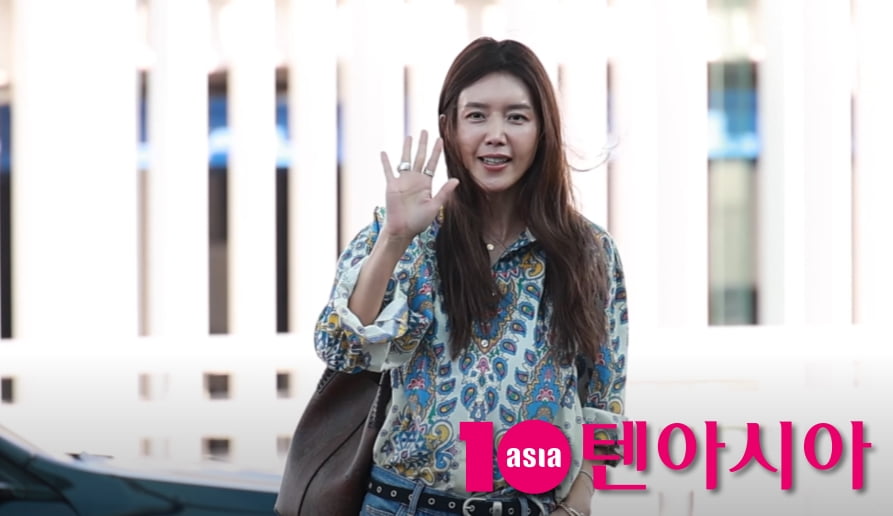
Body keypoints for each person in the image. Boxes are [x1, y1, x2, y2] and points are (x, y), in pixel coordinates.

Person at [315, 37, 629, 516]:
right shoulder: (407, 234)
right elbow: (342, 349)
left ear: (542, 130)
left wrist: (579, 501)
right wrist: (395, 239)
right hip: (405, 504)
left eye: (516, 117)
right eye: (477, 115)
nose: (496, 134)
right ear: (450, 127)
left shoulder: (589, 250)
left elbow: (606, 400)